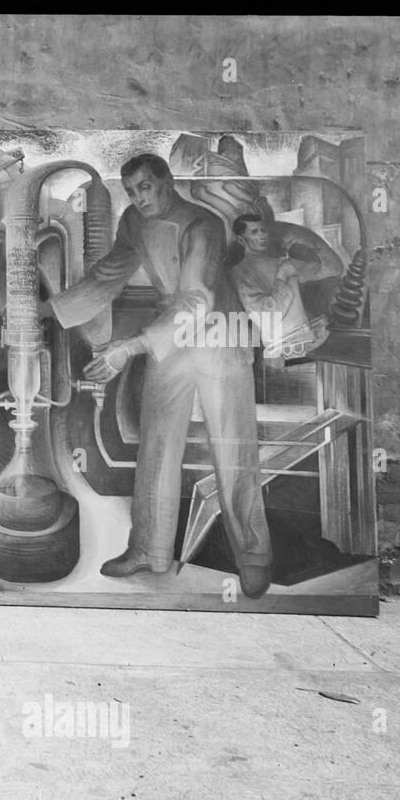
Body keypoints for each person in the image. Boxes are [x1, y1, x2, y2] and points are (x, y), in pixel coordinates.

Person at [45, 153, 273, 599]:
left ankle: (255, 556)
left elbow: (198, 300)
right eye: (131, 191)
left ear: (167, 182)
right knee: (155, 445)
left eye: (145, 187)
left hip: (217, 338)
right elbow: (109, 274)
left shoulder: (202, 224)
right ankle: (148, 551)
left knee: (233, 448)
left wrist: (129, 347)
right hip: (171, 338)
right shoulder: (133, 221)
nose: (138, 198)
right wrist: (52, 310)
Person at [229, 213, 343, 359]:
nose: (262, 236)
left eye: (263, 230)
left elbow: (334, 268)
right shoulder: (239, 273)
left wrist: (312, 243)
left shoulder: (280, 263)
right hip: (282, 355)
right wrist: (281, 277)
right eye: (254, 232)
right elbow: (267, 315)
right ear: (240, 239)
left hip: (310, 344)